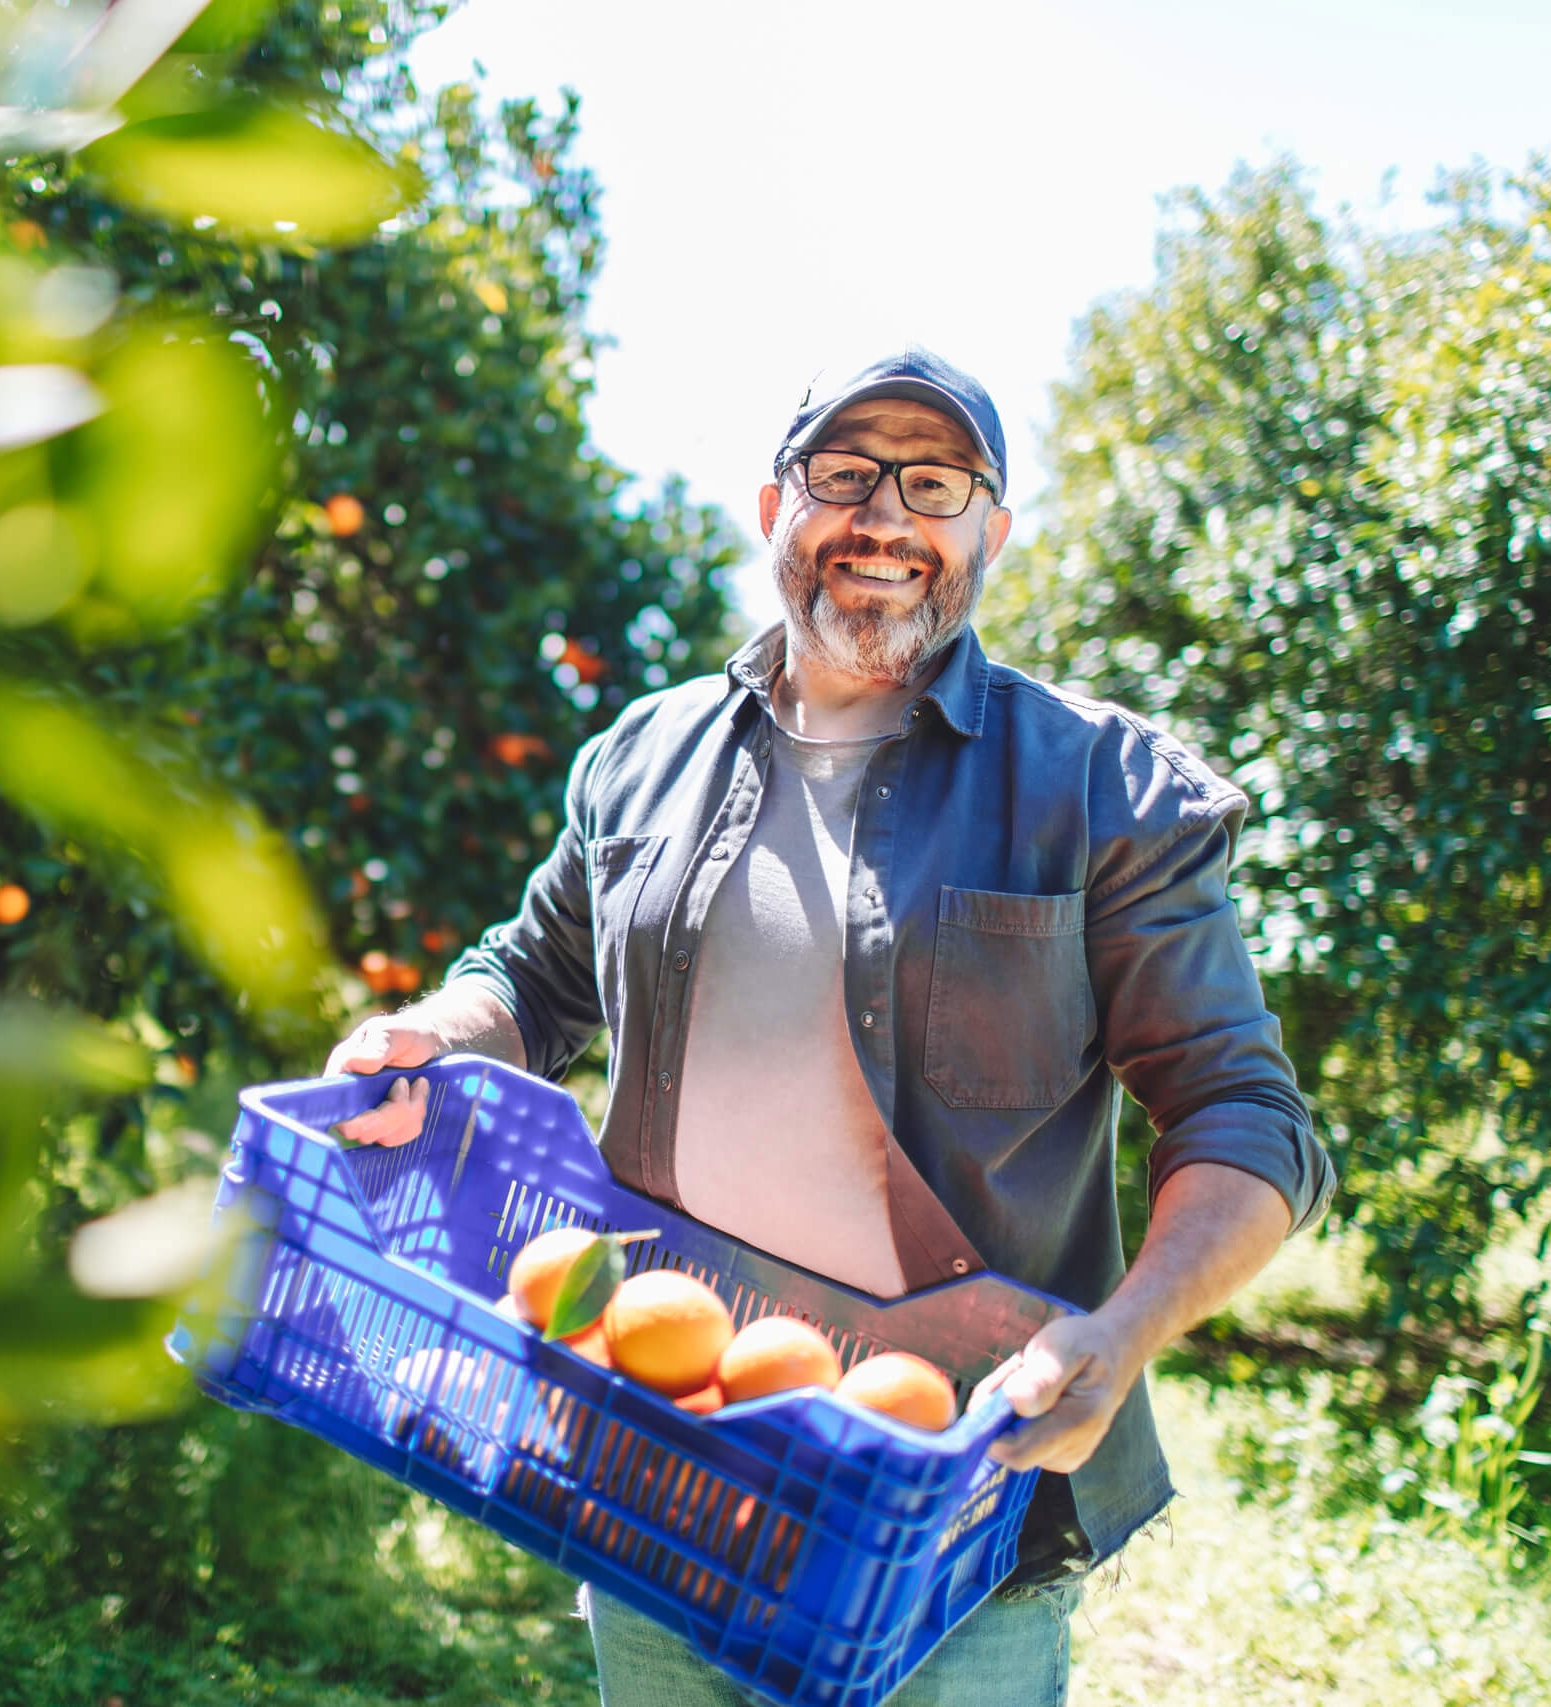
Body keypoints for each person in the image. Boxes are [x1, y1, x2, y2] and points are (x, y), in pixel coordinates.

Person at [320, 347, 1337, 1707]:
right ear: (773, 508)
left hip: (945, 1523)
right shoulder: (639, 759)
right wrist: (437, 1036)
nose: (886, 517)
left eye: (936, 481)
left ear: (993, 531)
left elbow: (1243, 1112)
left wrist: (1127, 1330)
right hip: (654, 1468)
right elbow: (533, 974)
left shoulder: (1102, 787)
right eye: (843, 475)